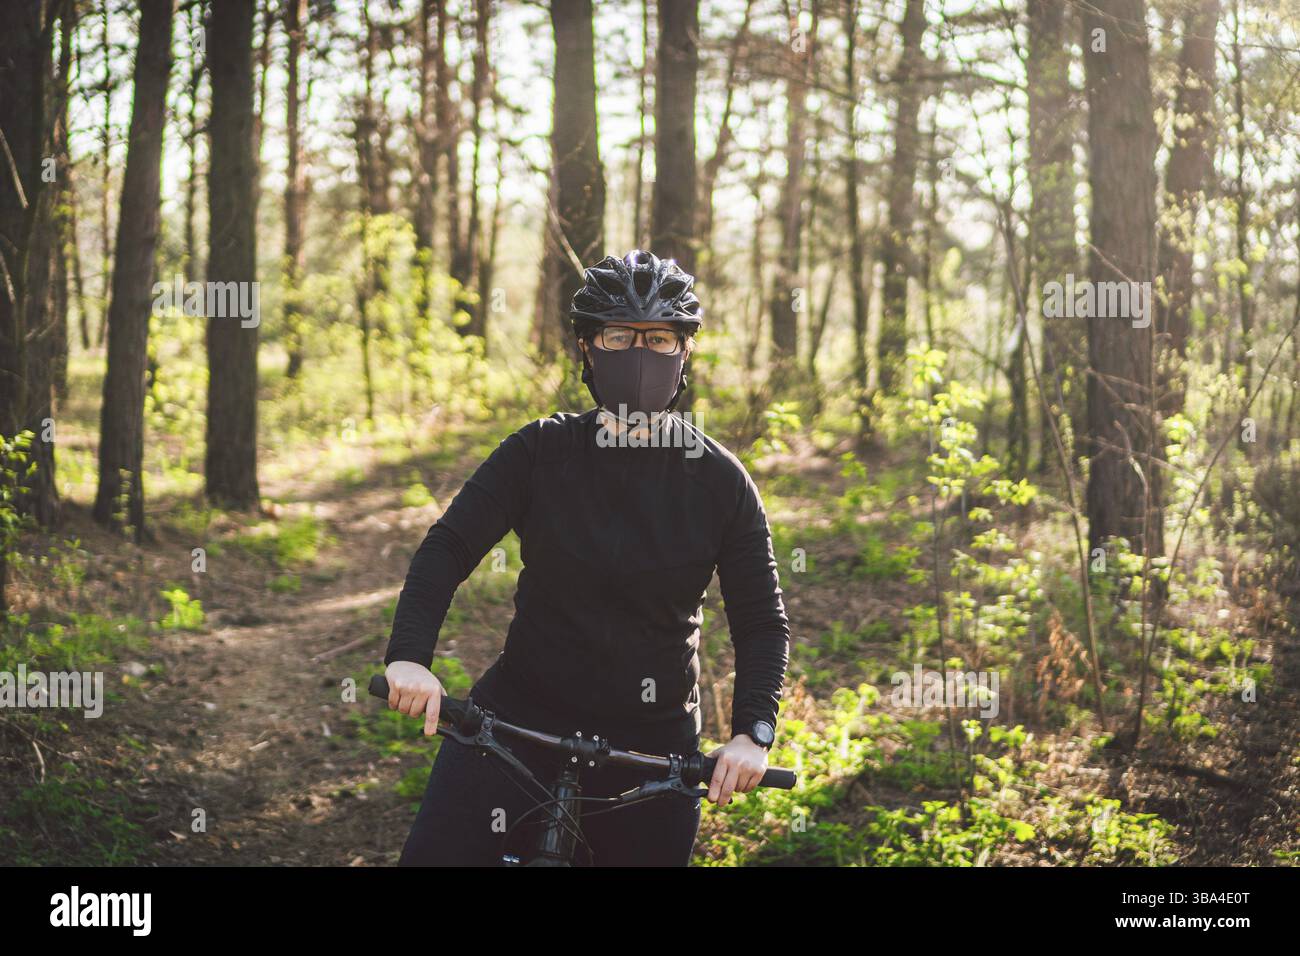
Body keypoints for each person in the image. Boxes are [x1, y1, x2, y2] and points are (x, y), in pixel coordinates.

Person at [383, 249, 791, 866]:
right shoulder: (539, 452)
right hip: (516, 719)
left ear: (685, 353)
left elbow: (761, 622)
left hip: (653, 742)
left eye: (659, 338)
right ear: (586, 349)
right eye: (619, 335)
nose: (639, 354)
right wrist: (410, 658)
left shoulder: (719, 481)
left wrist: (752, 733)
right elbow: (447, 549)